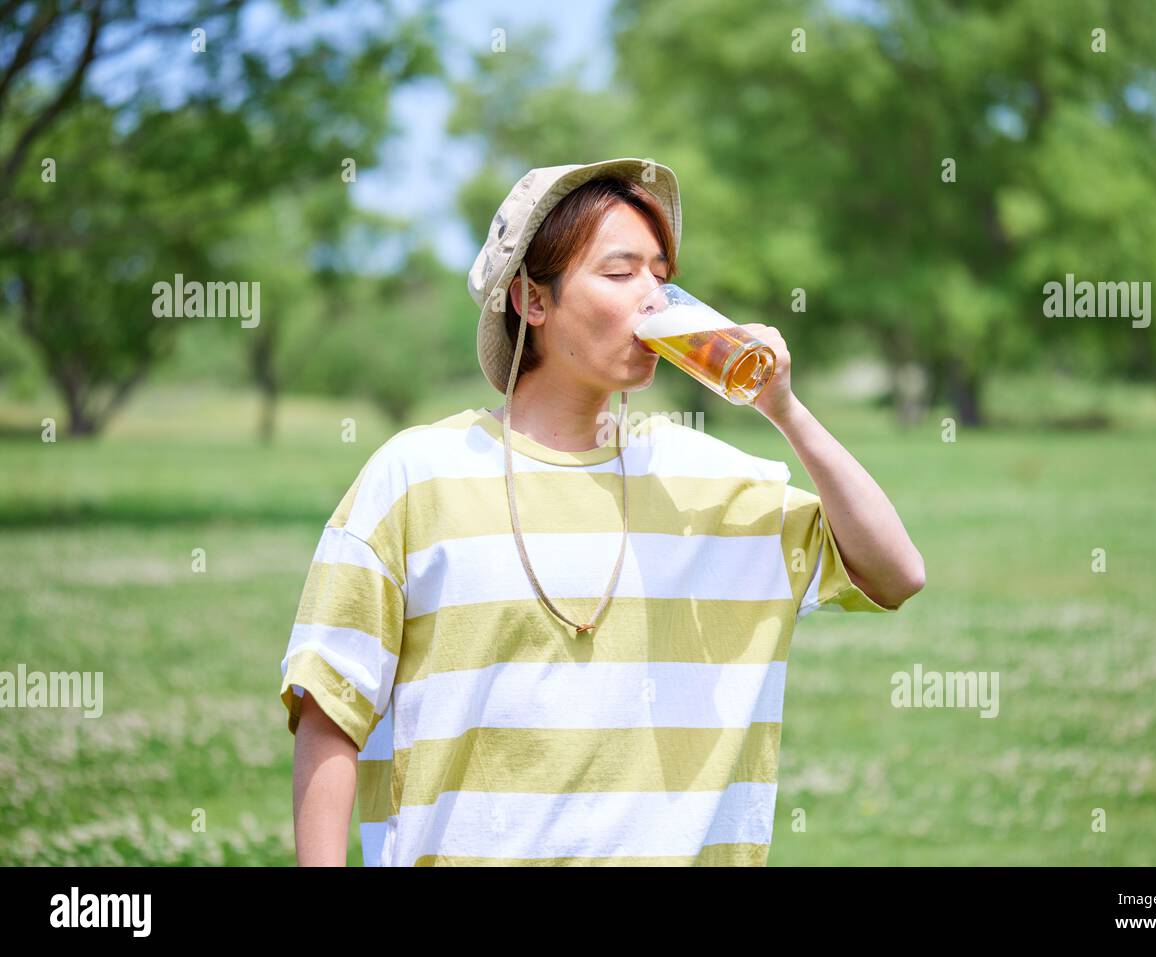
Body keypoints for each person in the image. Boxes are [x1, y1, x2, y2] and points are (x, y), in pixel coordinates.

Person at [280, 157, 925, 866]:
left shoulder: (702, 479)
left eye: (661, 273)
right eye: (620, 274)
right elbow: (331, 708)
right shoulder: (418, 476)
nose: (654, 296)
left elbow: (895, 573)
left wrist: (786, 411)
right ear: (533, 299)